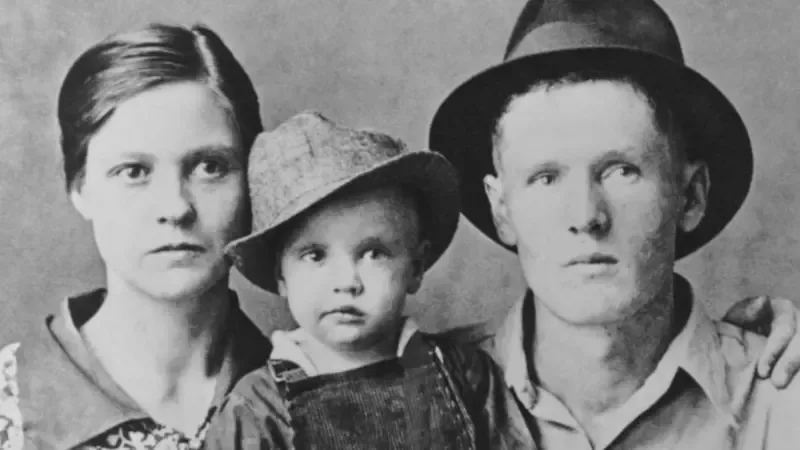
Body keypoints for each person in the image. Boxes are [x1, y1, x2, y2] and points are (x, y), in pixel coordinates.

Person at [429, 0, 800, 447]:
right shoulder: (425, 393)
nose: (587, 216)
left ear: (691, 196)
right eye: (545, 177)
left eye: (622, 171)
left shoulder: (783, 403)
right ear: (501, 209)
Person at [203, 111, 533, 449]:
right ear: (281, 276)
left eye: (374, 253)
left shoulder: (465, 374)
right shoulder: (257, 408)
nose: (346, 282)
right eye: (315, 255)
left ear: (415, 268)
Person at [14, 23, 270, 449]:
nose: (175, 207)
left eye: (210, 166)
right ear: (80, 188)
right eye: (134, 172)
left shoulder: (313, 395)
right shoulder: (12, 404)